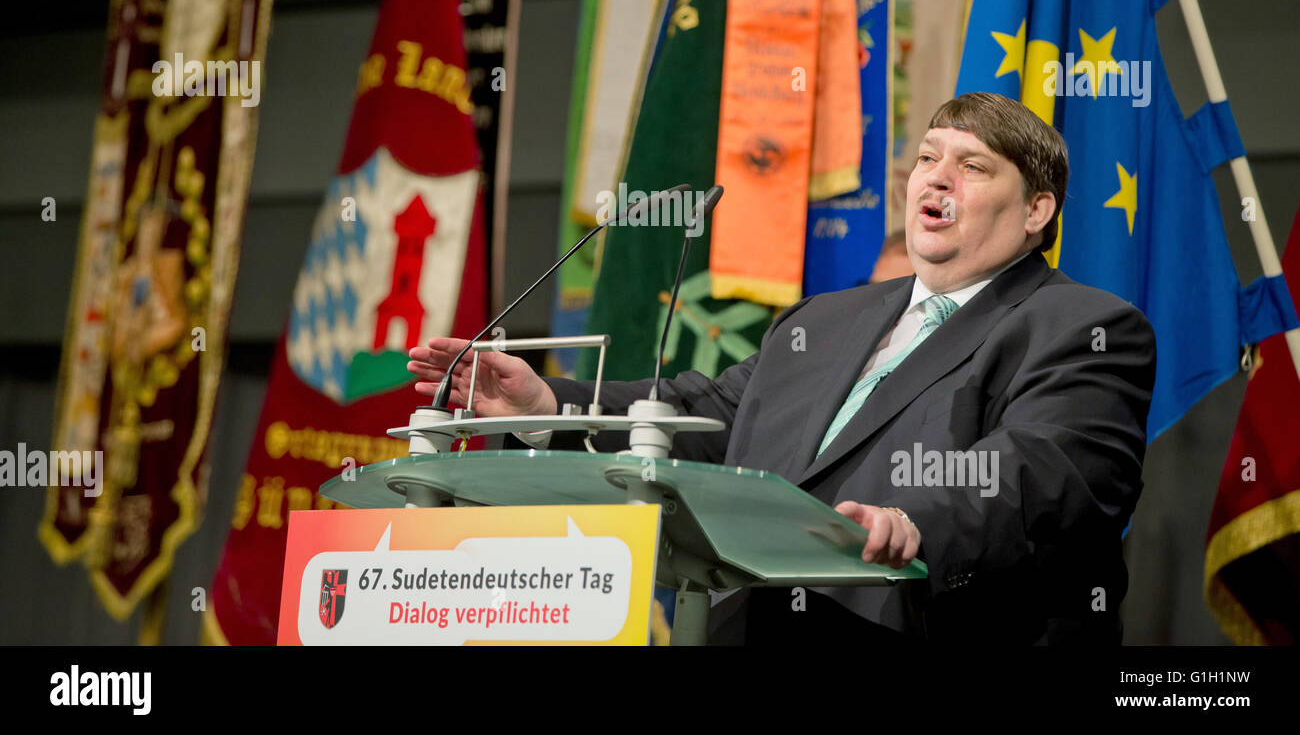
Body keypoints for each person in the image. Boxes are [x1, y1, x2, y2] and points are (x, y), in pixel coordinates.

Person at [408, 92, 1156, 644]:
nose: (936, 179)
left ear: (1035, 212)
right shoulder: (826, 320)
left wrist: (912, 521)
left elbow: (1043, 472)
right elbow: (711, 415)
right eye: (927, 157)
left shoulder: (1084, 327)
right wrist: (550, 405)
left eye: (972, 167)